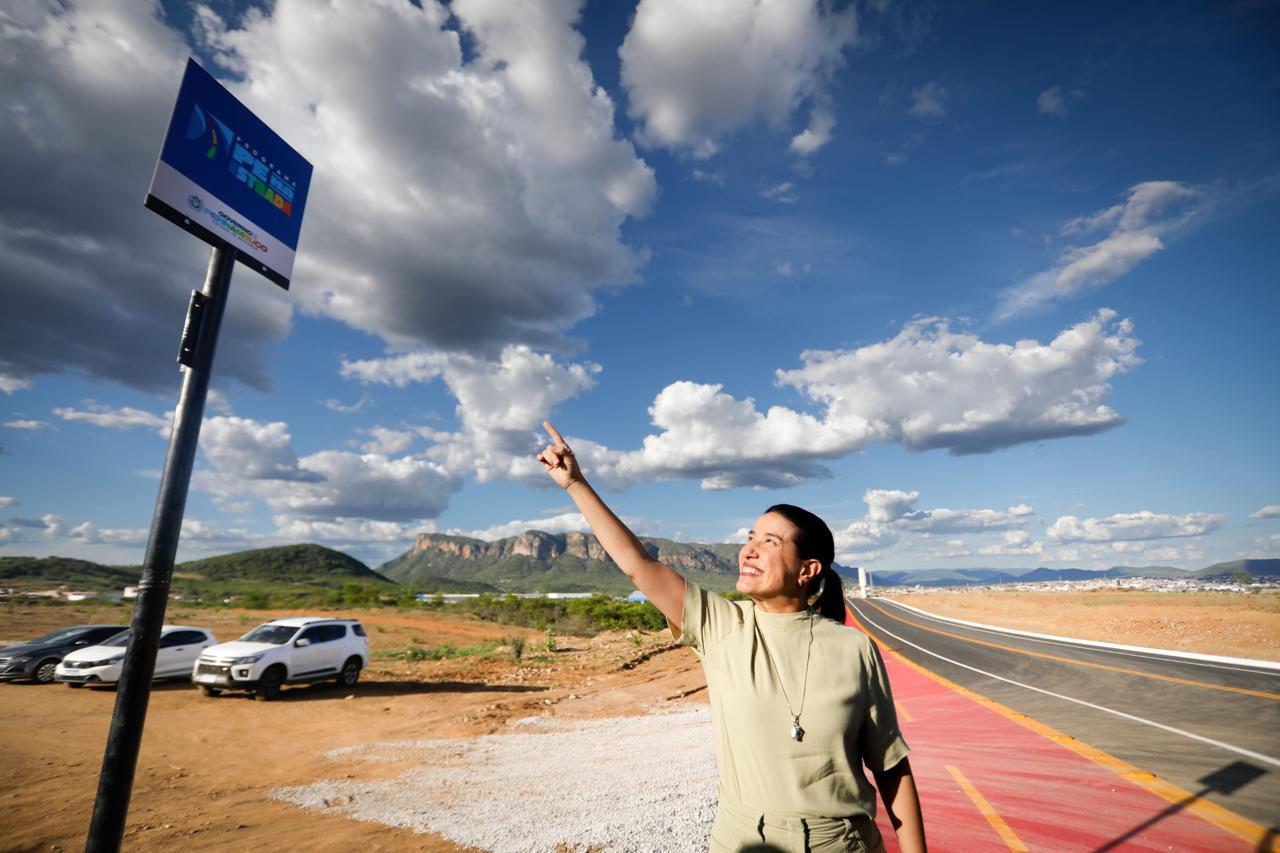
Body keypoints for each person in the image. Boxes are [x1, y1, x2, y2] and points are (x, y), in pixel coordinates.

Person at [537, 423, 926, 853]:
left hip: (842, 842)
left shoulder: (854, 648)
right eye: (750, 538)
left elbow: (891, 766)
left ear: (808, 569)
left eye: (770, 541)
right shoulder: (721, 625)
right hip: (745, 840)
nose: (749, 549)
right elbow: (638, 565)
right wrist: (575, 483)